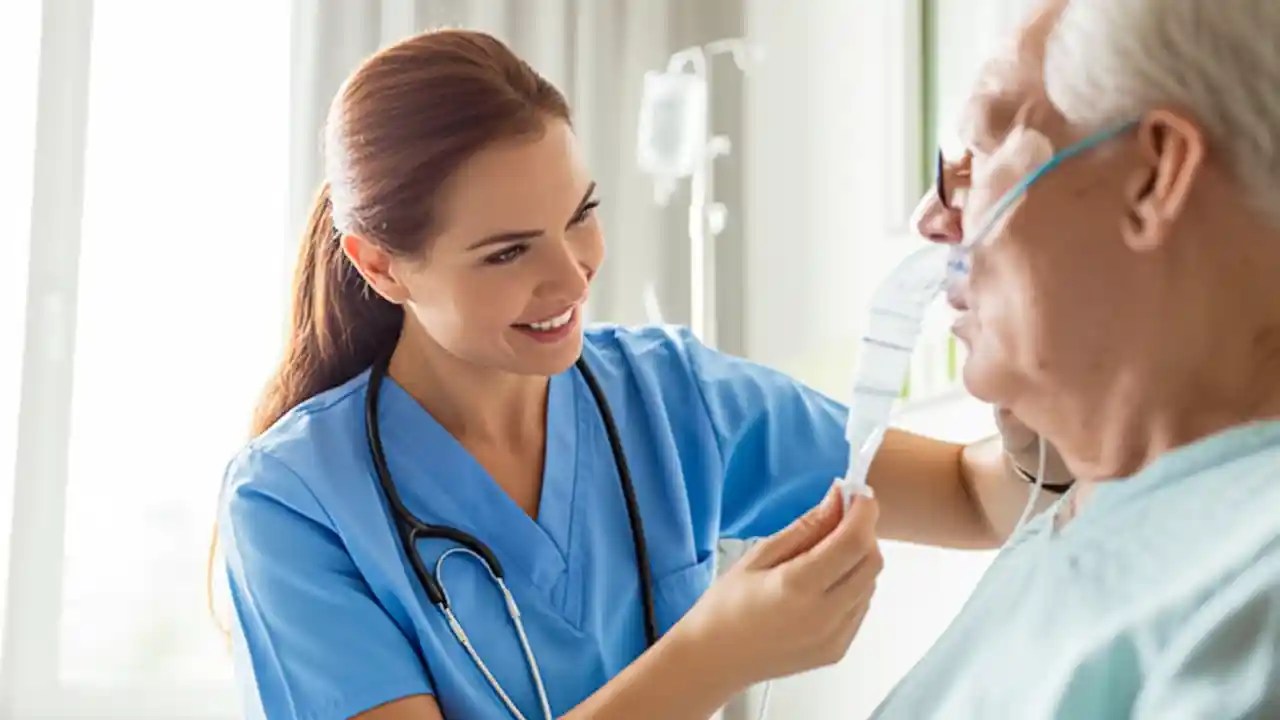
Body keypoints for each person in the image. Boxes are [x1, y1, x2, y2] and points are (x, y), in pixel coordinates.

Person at [216, 29, 1062, 720]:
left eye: (580, 215)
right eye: (508, 252)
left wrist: (1035, 372)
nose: (572, 275)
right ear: (383, 268)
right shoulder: (295, 500)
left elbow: (975, 495)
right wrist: (721, 654)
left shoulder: (668, 400)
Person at [872, 0, 1280, 716]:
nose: (935, 220)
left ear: (1153, 175)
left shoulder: (1250, 590)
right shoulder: (1084, 523)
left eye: (985, 151)